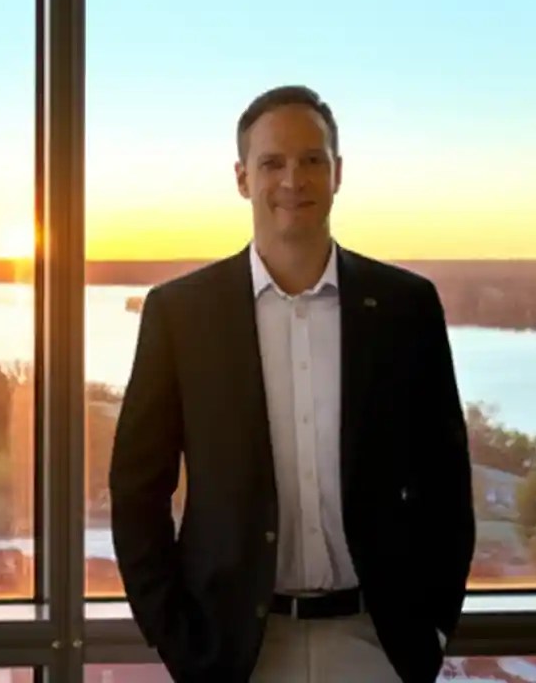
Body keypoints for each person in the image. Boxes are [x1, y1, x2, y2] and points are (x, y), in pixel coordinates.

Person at [108, 84, 476, 683]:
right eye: (272, 162)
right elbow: (136, 489)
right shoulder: (181, 315)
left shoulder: (408, 309)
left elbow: (446, 482)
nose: (292, 180)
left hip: (375, 645)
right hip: (235, 654)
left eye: (312, 160)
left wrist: (433, 625)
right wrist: (176, 636)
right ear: (241, 178)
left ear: (338, 173)